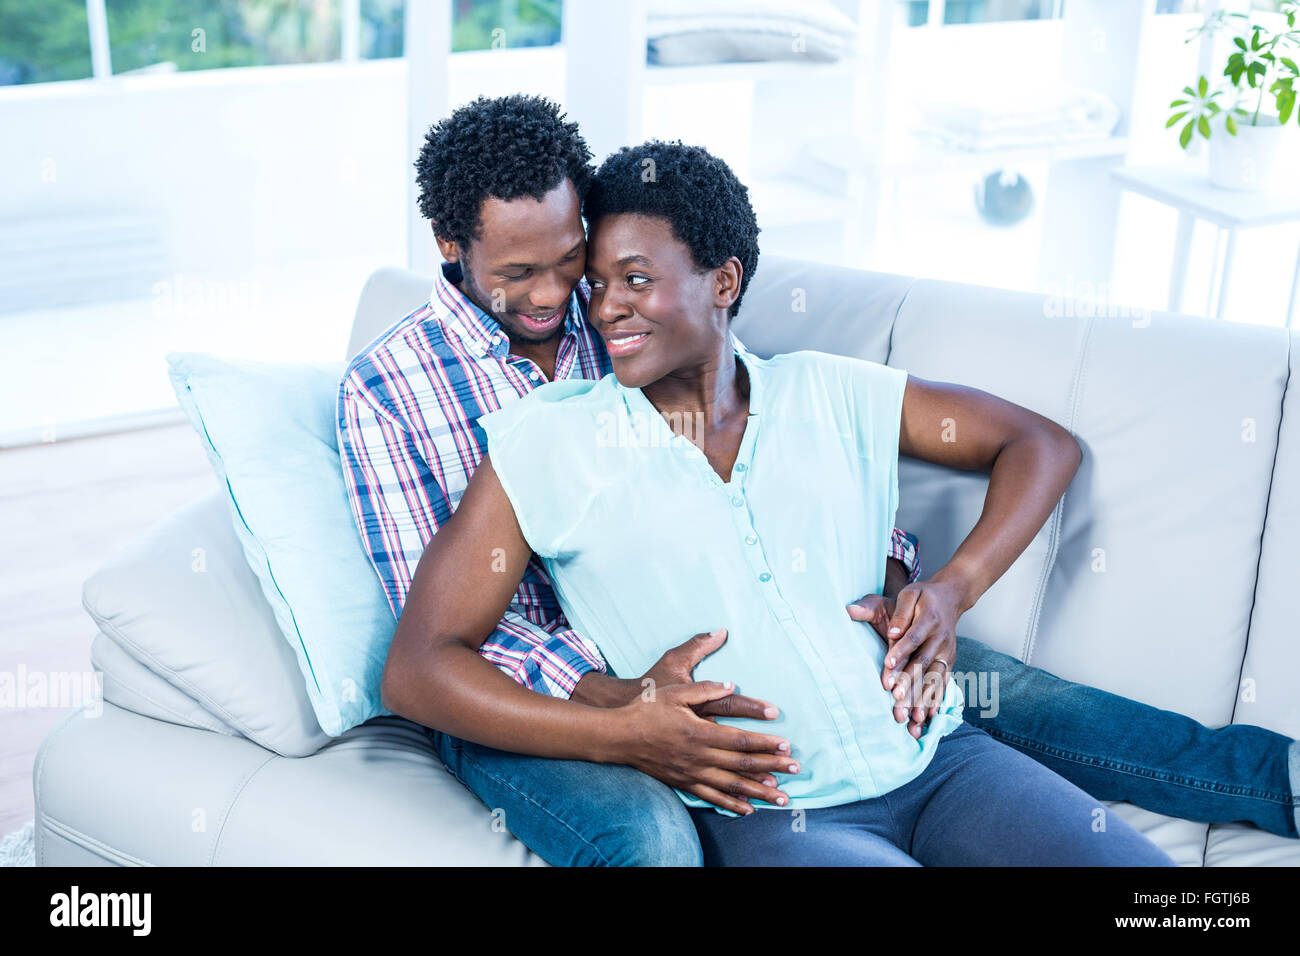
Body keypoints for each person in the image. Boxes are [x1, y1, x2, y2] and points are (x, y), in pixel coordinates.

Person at [339, 95, 1300, 866]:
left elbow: (813, 465)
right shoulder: (442, 408)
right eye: (531, 277)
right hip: (592, 709)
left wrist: (913, 587)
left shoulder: (777, 377)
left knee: (1014, 699)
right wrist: (625, 713)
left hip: (891, 724)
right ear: (451, 247)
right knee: (650, 838)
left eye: (579, 268)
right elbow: (439, 651)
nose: (564, 300)